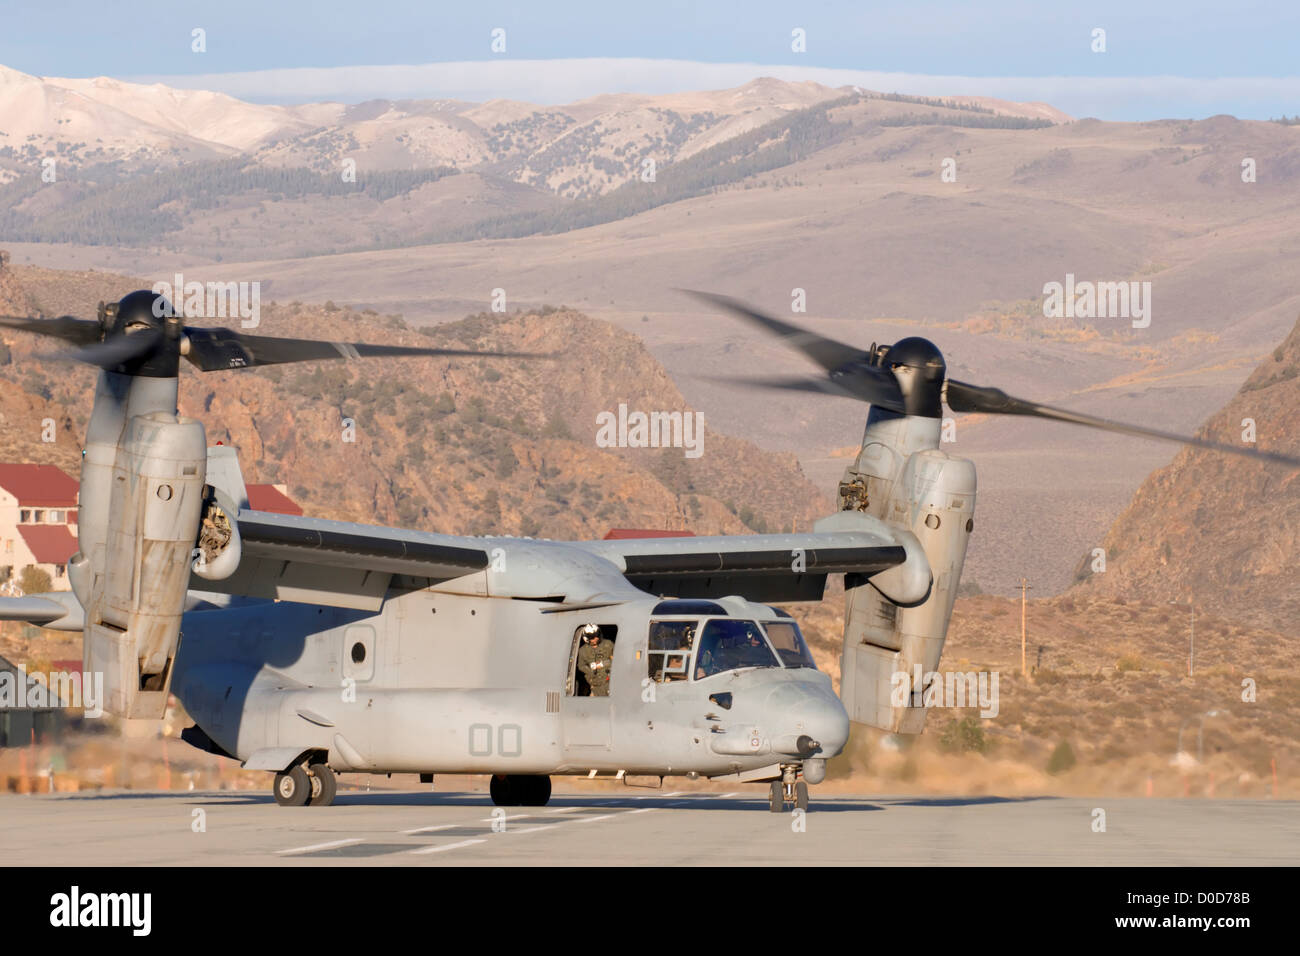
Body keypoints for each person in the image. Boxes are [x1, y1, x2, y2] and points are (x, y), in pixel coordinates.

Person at [576, 624, 613, 697]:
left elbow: (618, 660)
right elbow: (581, 666)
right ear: (587, 638)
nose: (595, 638)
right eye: (592, 637)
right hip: (596, 685)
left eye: (597, 635)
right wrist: (590, 670)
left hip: (610, 682)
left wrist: (603, 664)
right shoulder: (583, 650)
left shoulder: (608, 644)